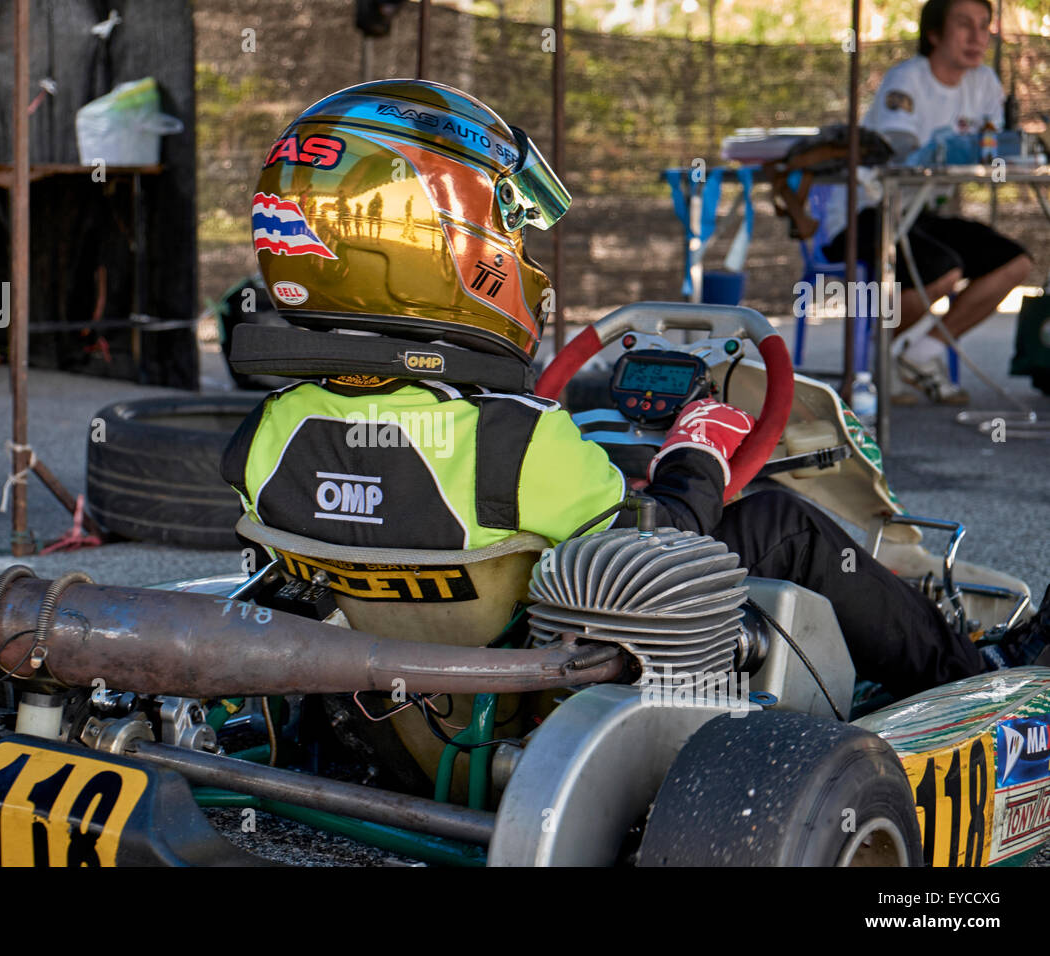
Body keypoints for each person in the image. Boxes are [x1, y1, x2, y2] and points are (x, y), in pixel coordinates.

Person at [226, 78, 1002, 700]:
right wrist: (694, 455)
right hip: (530, 708)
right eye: (509, 232)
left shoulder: (269, 433)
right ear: (438, 249)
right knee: (774, 519)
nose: (518, 254)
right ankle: (966, 681)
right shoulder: (515, 441)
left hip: (394, 714)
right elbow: (658, 546)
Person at [823, 0, 1032, 404]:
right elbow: (897, 155)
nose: (976, 36)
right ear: (934, 33)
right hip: (868, 210)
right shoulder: (906, 81)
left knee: (1014, 262)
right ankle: (870, 362)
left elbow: (991, 150)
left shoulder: (986, 83)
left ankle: (921, 355)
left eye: (983, 25)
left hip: (924, 212)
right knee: (943, 269)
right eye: (964, 25)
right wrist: (941, 151)